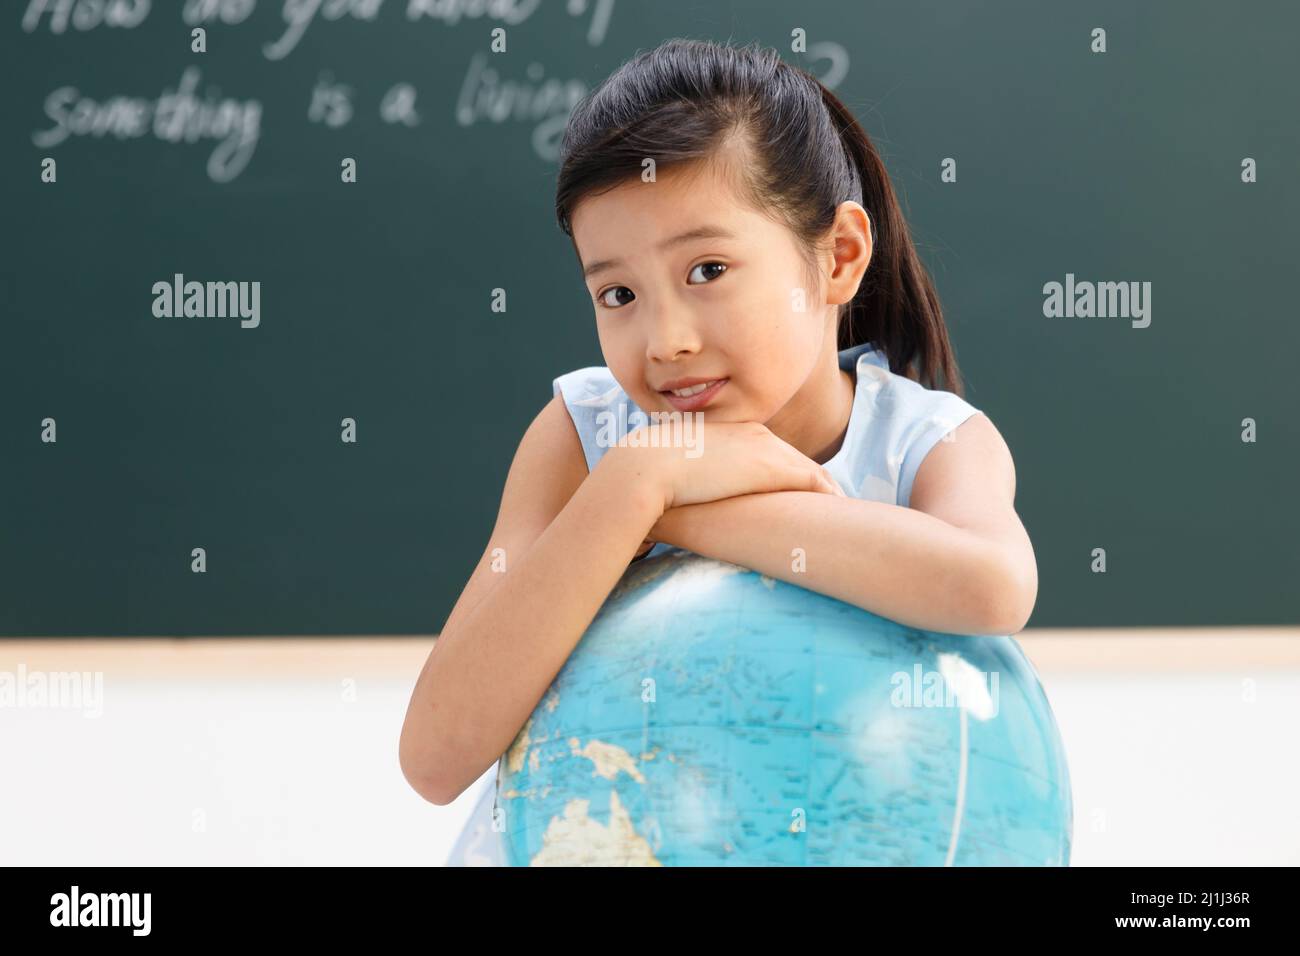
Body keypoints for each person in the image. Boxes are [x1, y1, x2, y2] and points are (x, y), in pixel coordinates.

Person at [402, 39, 1038, 831]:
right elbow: (435, 757)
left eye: (707, 271)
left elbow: (993, 586)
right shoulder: (587, 436)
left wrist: (660, 506)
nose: (664, 339)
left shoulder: (928, 442)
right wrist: (634, 479)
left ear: (838, 257)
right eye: (618, 293)